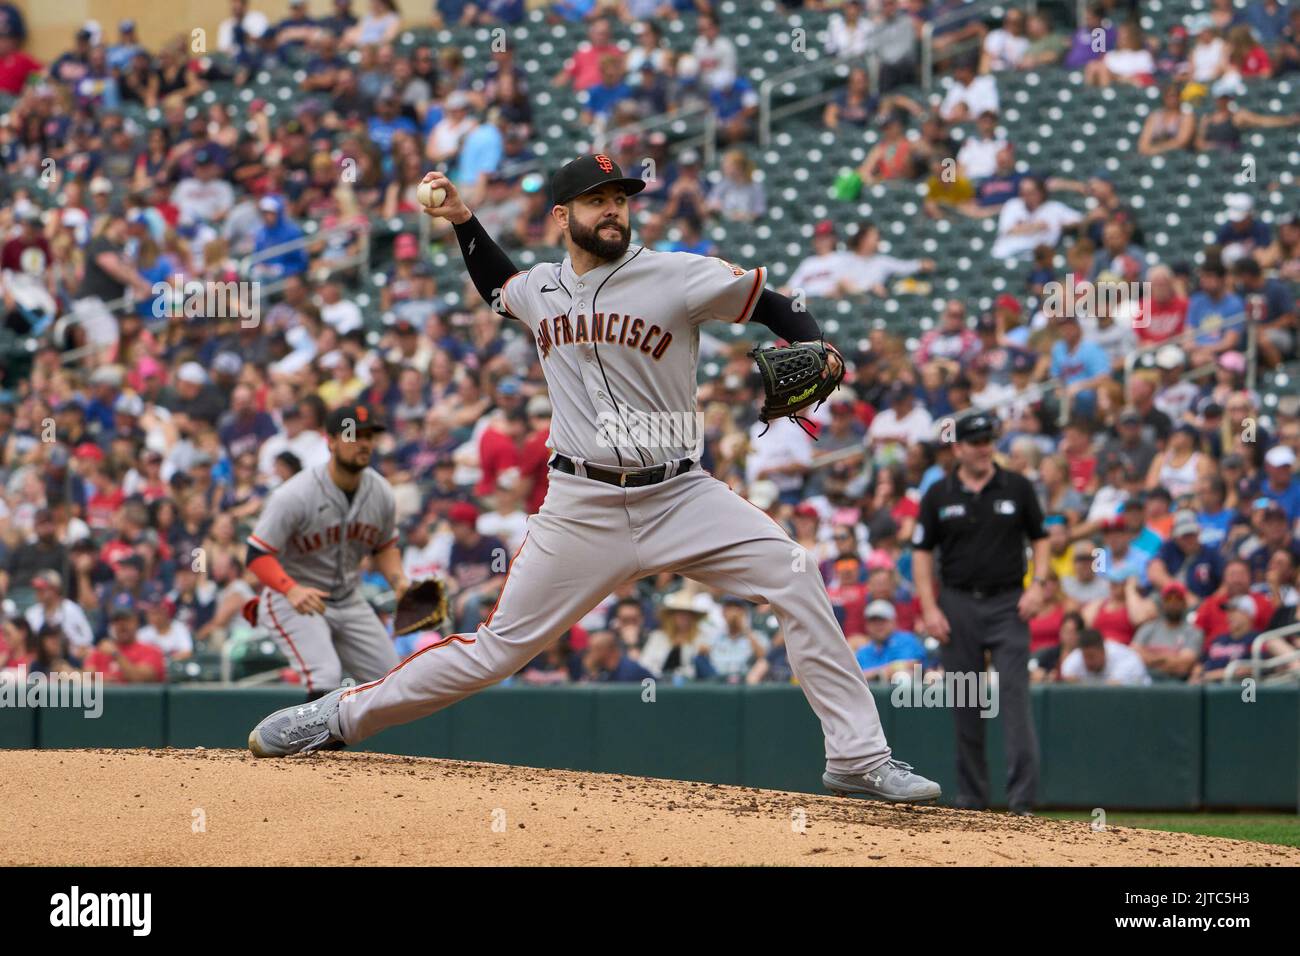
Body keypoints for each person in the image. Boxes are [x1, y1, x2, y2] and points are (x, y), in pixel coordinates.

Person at [248, 154, 941, 804]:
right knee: (493, 652)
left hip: (681, 493)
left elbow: (773, 303)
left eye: (619, 200)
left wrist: (817, 343)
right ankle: (338, 716)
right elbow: (496, 285)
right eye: (596, 201)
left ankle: (857, 757)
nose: (613, 211)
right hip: (582, 506)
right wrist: (464, 220)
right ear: (561, 215)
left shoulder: (679, 273)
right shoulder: (542, 288)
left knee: (796, 573)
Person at [913, 412, 1048, 814]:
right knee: (966, 702)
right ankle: (973, 800)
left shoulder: (1018, 487)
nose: (984, 447)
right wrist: (929, 606)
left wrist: (1038, 586)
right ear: (959, 448)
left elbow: (1041, 539)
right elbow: (921, 553)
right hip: (957, 605)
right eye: (975, 442)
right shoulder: (939, 493)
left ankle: (1022, 801)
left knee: (1014, 699)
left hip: (1008, 602)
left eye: (988, 440)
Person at [243, 404, 406, 698]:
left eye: (369, 436)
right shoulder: (294, 494)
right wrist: (291, 590)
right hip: (292, 596)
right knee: (325, 675)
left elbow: (384, 546)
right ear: (330, 441)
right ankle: (314, 745)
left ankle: (350, 741)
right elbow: (256, 555)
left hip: (348, 598)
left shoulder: (380, 492)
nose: (364, 443)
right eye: (353, 436)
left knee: (392, 682)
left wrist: (400, 583)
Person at [1131, 582, 1203, 682]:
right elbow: (1132, 656)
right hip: (1144, 681)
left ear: (1184, 603)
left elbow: (1183, 666)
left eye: (1177, 598)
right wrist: (1166, 659)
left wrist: (1149, 659)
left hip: (1175, 684)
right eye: (1168, 599)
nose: (1173, 603)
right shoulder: (1148, 627)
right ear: (1163, 603)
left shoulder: (1193, 632)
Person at [854, 600, 925, 682]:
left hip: (902, 693)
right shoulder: (864, 651)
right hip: (869, 693)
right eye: (873, 621)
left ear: (893, 621)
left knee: (903, 676)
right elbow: (854, 677)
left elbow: (912, 664)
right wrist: (881, 673)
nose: (878, 625)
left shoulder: (905, 640)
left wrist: (875, 674)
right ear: (866, 625)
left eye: (883, 620)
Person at [1060, 627, 1151, 685]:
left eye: (1091, 657)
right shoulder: (1075, 659)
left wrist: (1080, 683)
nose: (1088, 662)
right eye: (1085, 657)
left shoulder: (1128, 660)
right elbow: (1067, 675)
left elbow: (1112, 690)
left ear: (1103, 651)